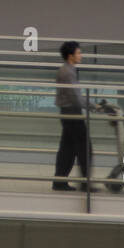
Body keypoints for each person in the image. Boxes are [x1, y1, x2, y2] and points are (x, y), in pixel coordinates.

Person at [53, 41, 100, 191]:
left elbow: (77, 96)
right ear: (70, 55)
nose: (81, 55)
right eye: (78, 53)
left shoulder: (69, 70)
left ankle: (59, 182)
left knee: (68, 149)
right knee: (85, 147)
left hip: (69, 113)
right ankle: (85, 184)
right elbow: (76, 97)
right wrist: (94, 106)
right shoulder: (67, 72)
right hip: (72, 113)